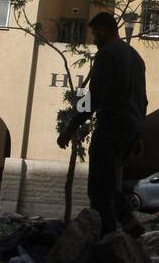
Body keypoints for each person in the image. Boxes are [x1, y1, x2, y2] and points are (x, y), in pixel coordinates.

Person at [57, 12, 148, 237]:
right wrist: (137, 134)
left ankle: (107, 236)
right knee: (110, 182)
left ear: (104, 30)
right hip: (130, 128)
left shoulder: (106, 55)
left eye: (95, 32)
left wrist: (71, 127)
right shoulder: (135, 57)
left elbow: (94, 98)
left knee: (98, 187)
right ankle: (128, 222)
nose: (94, 38)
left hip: (112, 125)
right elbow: (142, 99)